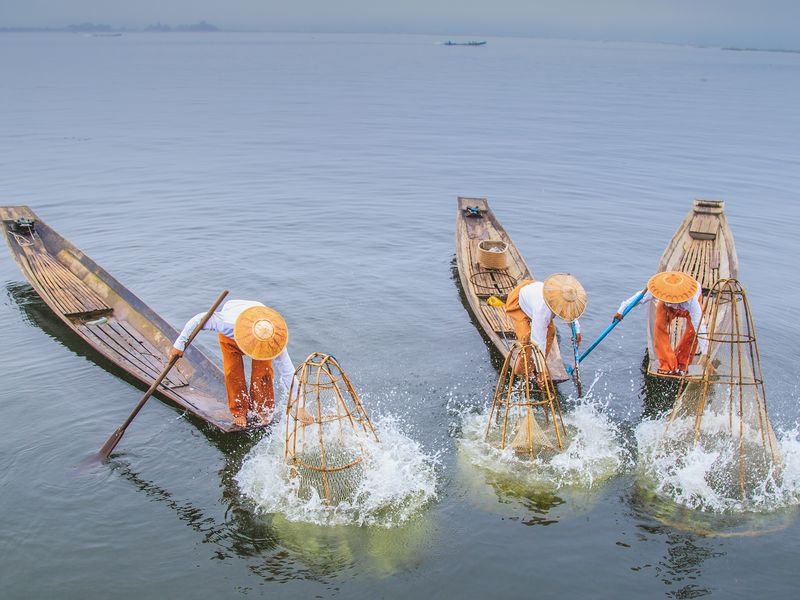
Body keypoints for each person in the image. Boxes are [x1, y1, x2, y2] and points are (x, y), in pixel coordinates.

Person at [169, 299, 295, 428]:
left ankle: (262, 409)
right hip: (232, 335)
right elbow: (199, 319)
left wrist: (299, 406)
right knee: (232, 371)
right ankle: (239, 411)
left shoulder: (271, 339)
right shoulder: (226, 324)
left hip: (262, 332)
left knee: (264, 372)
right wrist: (179, 344)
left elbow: (288, 372)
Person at [614, 271, 707, 375]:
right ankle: (668, 365)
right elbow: (640, 297)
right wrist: (621, 310)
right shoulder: (660, 291)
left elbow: (700, 325)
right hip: (665, 307)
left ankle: (682, 363)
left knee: (692, 332)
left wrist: (706, 353)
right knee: (659, 328)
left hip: (686, 307)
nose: (671, 301)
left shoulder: (691, 300)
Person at [505, 273, 586, 374]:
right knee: (526, 339)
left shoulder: (563, 297)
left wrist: (576, 331)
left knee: (551, 333)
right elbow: (538, 341)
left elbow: (570, 312)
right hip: (520, 303)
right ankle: (524, 372)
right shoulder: (542, 311)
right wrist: (541, 372)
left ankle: (538, 364)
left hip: (533, 295)